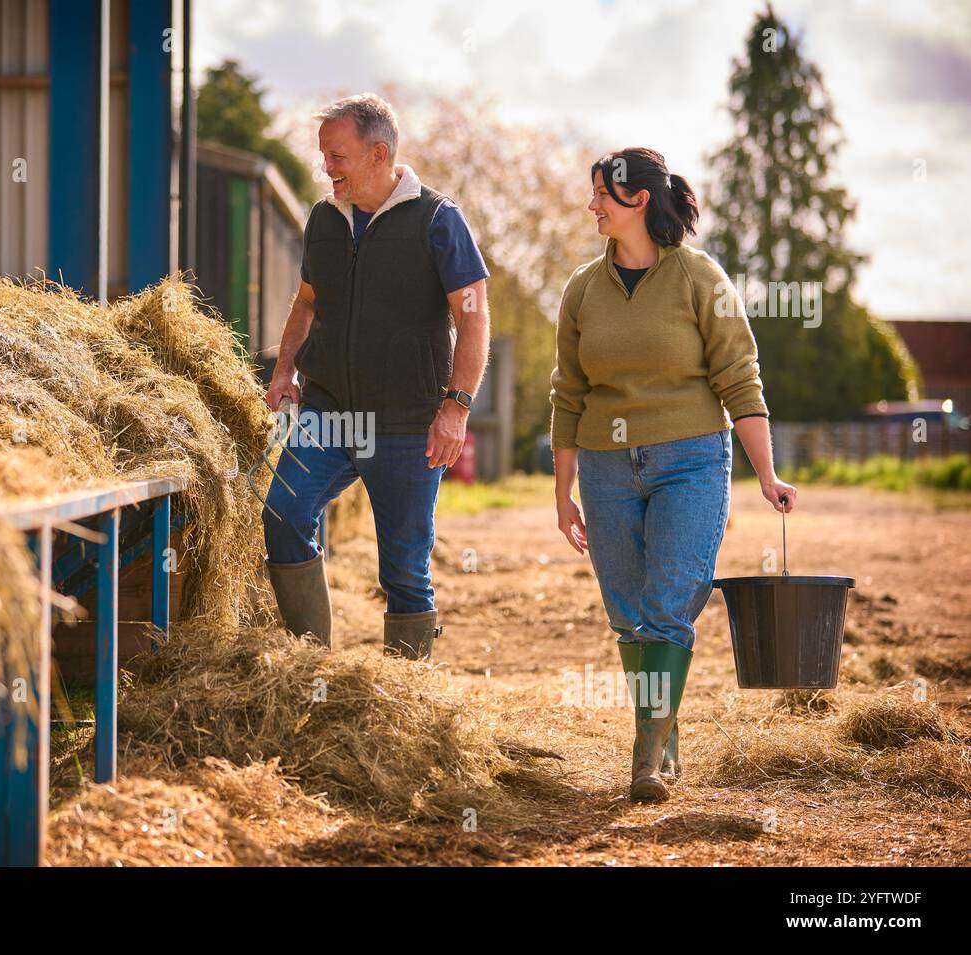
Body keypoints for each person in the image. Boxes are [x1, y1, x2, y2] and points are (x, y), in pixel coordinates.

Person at [549, 147, 798, 802]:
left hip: (691, 460)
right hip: (604, 467)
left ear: (638, 200)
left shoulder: (700, 278)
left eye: (603, 192)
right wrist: (562, 492)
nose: (593, 203)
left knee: (667, 608)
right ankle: (662, 736)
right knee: (629, 615)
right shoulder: (581, 289)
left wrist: (767, 474)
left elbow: (739, 379)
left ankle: (644, 757)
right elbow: (568, 394)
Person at [262, 93, 490, 660]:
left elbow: (474, 316)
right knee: (283, 516)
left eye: (337, 156)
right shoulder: (324, 219)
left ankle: (402, 697)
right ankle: (309, 669)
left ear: (378, 152)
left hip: (407, 425)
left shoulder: (439, 220)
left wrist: (456, 407)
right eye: (324, 156)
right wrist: (284, 369)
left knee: (405, 570)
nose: (326, 167)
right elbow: (308, 301)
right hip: (330, 412)